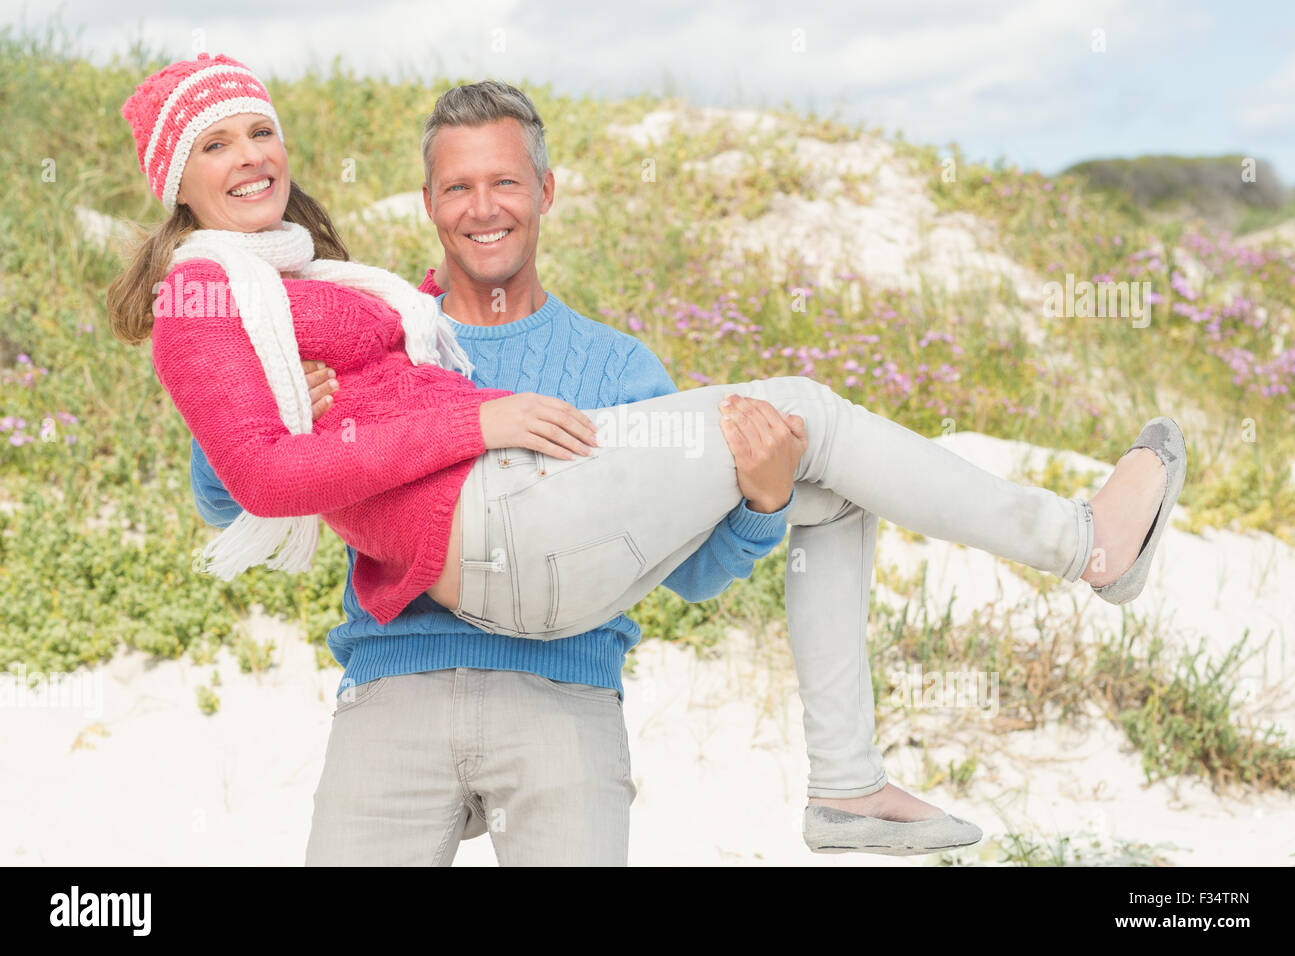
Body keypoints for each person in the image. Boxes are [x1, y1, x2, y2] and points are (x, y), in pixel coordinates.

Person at [109, 55, 1187, 861]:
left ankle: (847, 784)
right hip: (422, 644)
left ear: (544, 191)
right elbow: (248, 483)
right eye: (215, 143)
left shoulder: (373, 301)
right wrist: (467, 423)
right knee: (811, 404)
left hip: (553, 647)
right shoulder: (233, 292)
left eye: (259, 131)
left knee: (817, 471)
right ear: (429, 206)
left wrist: (761, 503)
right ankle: (1081, 541)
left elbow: (693, 572)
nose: (249, 155)